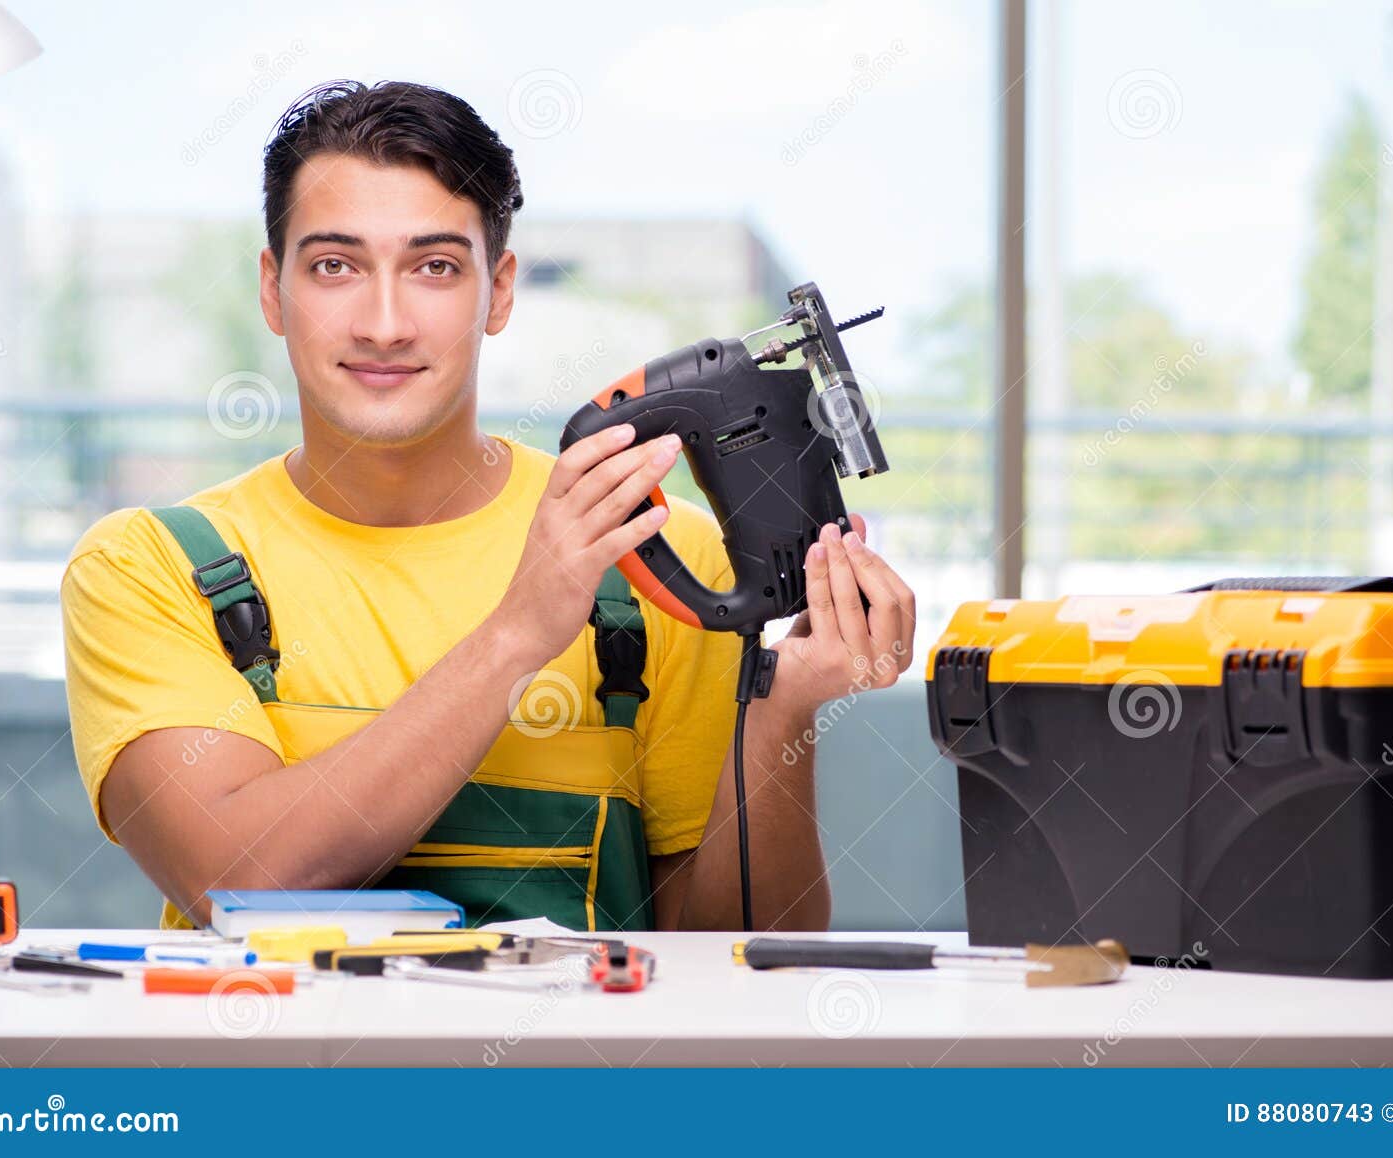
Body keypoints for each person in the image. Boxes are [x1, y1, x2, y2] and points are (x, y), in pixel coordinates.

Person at [60, 80, 916, 932]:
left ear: (498, 291)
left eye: (434, 267)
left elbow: (735, 950)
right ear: (273, 291)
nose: (384, 324)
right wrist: (517, 633)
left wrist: (781, 710)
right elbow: (234, 876)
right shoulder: (148, 567)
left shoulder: (661, 559)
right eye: (334, 266)